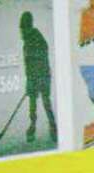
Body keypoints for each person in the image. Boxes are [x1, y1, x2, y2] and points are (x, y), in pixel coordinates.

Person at [19, 11, 56, 142]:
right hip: (33, 77)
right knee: (32, 103)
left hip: (43, 76)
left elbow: (42, 59)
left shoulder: (37, 39)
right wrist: (29, 81)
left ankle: (53, 127)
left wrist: (37, 77)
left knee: (46, 102)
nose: (21, 31)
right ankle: (33, 125)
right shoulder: (28, 40)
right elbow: (28, 64)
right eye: (21, 28)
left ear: (28, 26)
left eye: (23, 28)